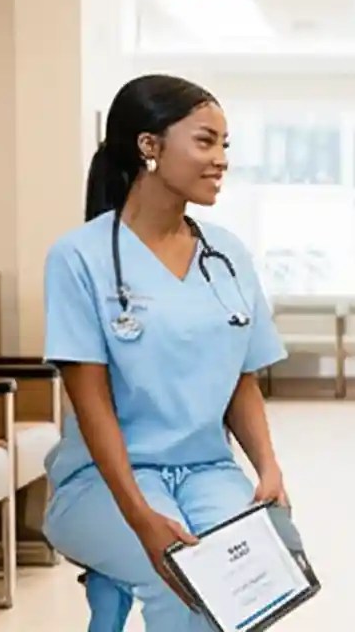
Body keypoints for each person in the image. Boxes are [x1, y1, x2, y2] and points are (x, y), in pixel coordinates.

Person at [40, 74, 290, 631]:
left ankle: (119, 580)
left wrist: (268, 468)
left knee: (254, 583)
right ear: (148, 146)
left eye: (226, 144)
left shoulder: (226, 254)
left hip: (207, 471)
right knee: (189, 588)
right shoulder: (79, 257)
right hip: (104, 480)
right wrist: (139, 517)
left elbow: (240, 379)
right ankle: (125, 569)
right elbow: (91, 402)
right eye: (205, 141)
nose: (221, 158)